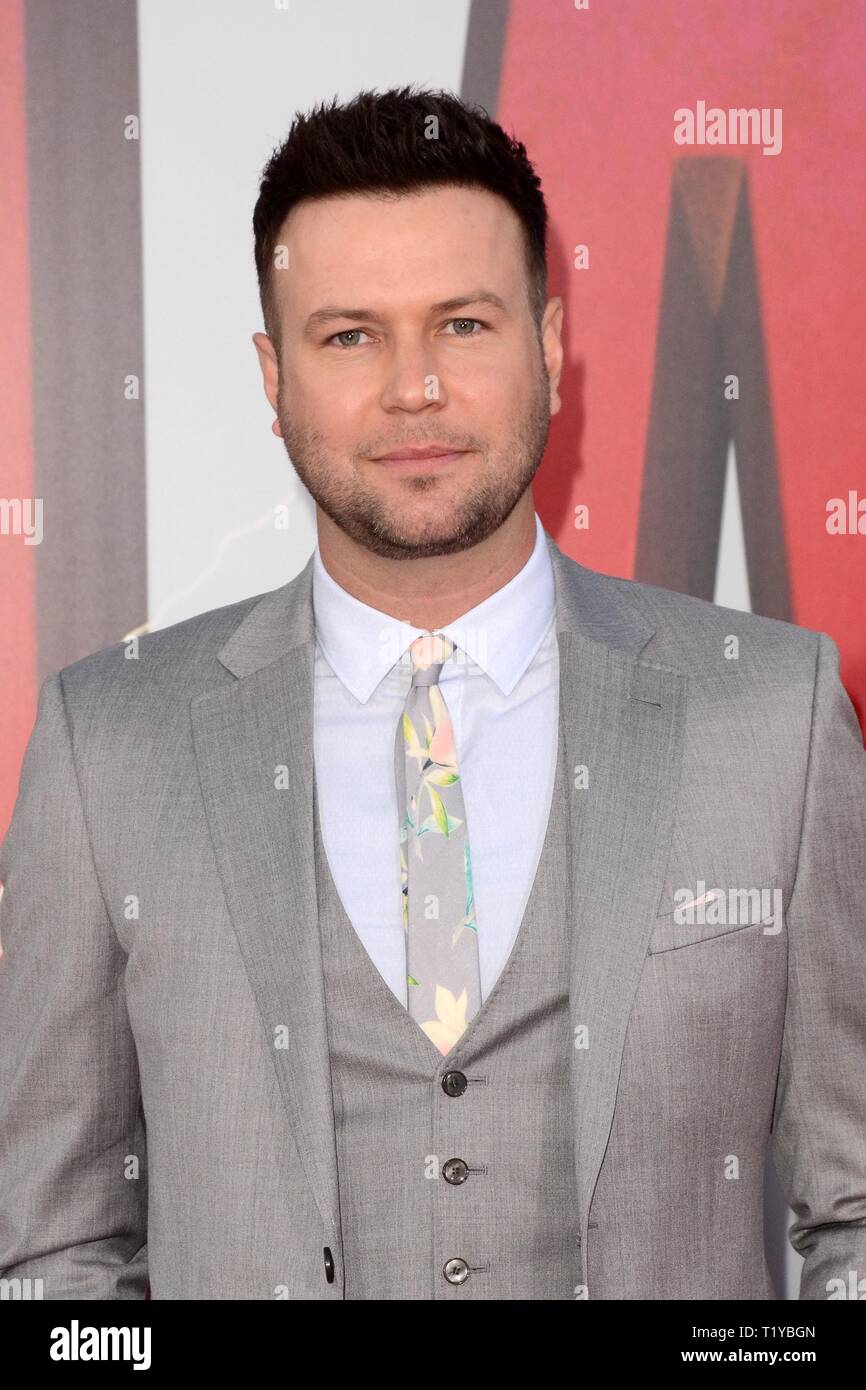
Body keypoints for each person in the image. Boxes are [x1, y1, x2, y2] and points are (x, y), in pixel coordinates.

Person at [1, 86, 864, 1301]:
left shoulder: (772, 716)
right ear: (272, 374)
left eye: (462, 324)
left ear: (548, 347)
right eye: (349, 335)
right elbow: (52, 1250)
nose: (414, 388)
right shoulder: (110, 747)